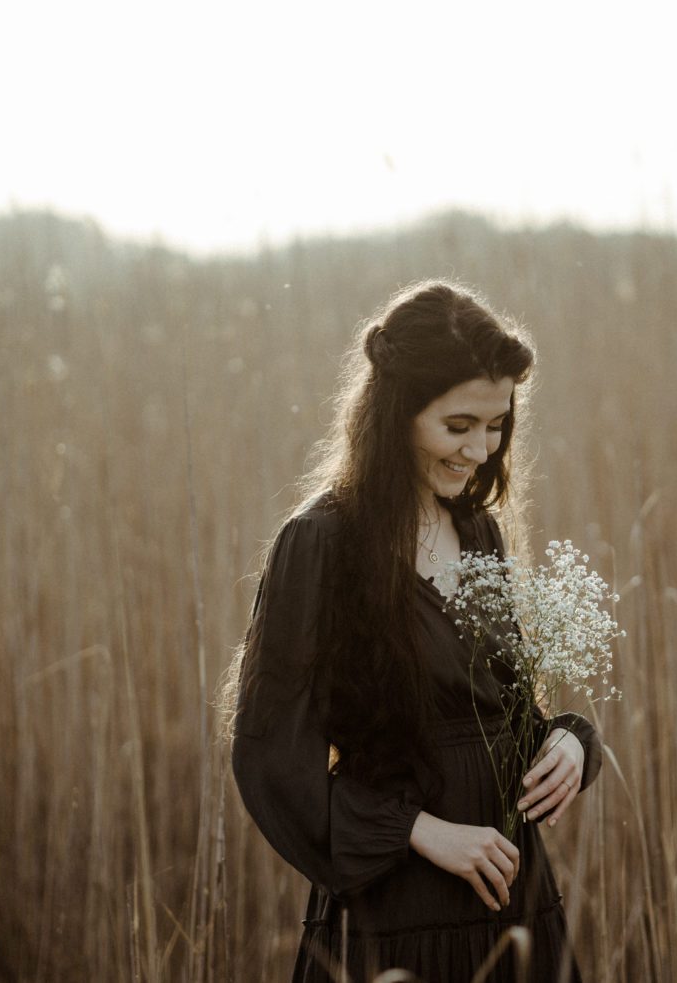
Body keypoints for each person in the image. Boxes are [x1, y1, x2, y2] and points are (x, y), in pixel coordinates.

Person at [228, 281, 604, 982]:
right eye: (457, 425)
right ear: (398, 413)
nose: (480, 449)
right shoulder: (320, 543)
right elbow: (272, 758)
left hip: (515, 903)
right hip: (395, 912)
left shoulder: (478, 529)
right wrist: (421, 832)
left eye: (496, 425)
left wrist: (572, 743)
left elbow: (505, 718)